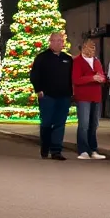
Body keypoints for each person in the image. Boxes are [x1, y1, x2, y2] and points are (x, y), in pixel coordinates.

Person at [30, 31, 75, 161]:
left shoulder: (68, 59)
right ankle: (45, 148)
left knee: (60, 123)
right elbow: (34, 75)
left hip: (64, 96)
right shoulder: (42, 58)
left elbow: (73, 77)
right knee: (47, 123)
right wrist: (38, 90)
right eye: (56, 40)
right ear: (50, 42)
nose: (59, 43)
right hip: (47, 96)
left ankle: (56, 151)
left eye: (61, 41)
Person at [72, 40, 108, 160]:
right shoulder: (77, 61)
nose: (93, 50)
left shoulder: (96, 61)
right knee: (84, 124)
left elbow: (102, 75)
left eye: (94, 48)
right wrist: (92, 78)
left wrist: (101, 78)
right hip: (83, 97)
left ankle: (93, 149)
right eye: (90, 47)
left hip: (96, 96)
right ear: (83, 48)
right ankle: (83, 150)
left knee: (94, 124)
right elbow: (76, 79)